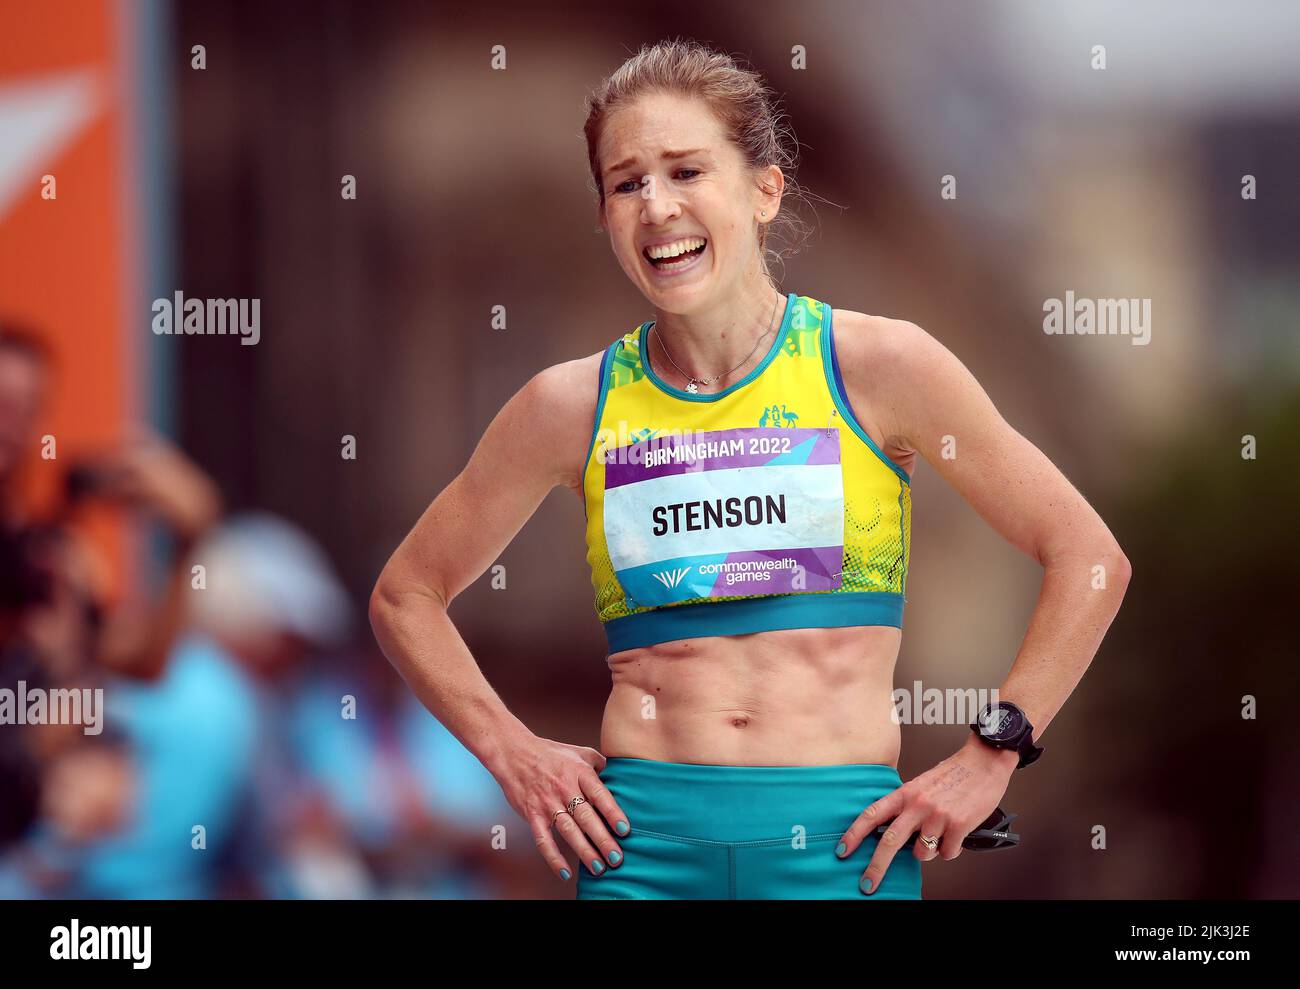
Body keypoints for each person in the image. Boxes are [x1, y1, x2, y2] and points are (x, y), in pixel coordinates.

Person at [369, 39, 1131, 900]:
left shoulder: (878, 365)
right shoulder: (569, 405)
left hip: (841, 849)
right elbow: (406, 595)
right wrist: (511, 752)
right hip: (640, 850)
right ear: (604, 216)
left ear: (765, 189)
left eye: (687, 171)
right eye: (626, 183)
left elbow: (1089, 557)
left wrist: (992, 754)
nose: (657, 205)